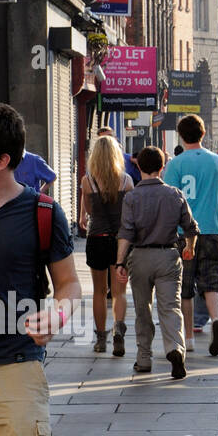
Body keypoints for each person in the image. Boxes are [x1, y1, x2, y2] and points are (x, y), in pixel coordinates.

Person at [0, 103, 81, 436]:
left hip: (14, 371)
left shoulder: (42, 212)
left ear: (1, 161)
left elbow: (69, 284)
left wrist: (58, 315)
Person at [114, 147, 196, 379]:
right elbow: (190, 226)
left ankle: (143, 358)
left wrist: (120, 262)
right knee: (170, 307)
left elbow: (126, 232)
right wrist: (190, 247)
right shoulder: (175, 194)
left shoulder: (131, 197)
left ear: (138, 167)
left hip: (139, 257)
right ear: (162, 167)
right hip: (168, 255)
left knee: (143, 308)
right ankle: (175, 349)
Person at [164, 115, 218, 357]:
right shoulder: (216, 161)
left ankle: (188, 337)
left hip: (184, 233)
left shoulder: (175, 164)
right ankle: (216, 319)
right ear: (203, 133)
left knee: (185, 286)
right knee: (212, 278)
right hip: (212, 228)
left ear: (181, 135)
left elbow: (172, 200)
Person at [79, 134, 134, 354]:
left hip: (97, 239)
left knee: (99, 291)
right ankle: (118, 331)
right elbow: (130, 213)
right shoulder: (126, 180)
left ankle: (100, 339)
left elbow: (90, 212)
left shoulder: (87, 181)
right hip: (120, 241)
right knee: (120, 292)